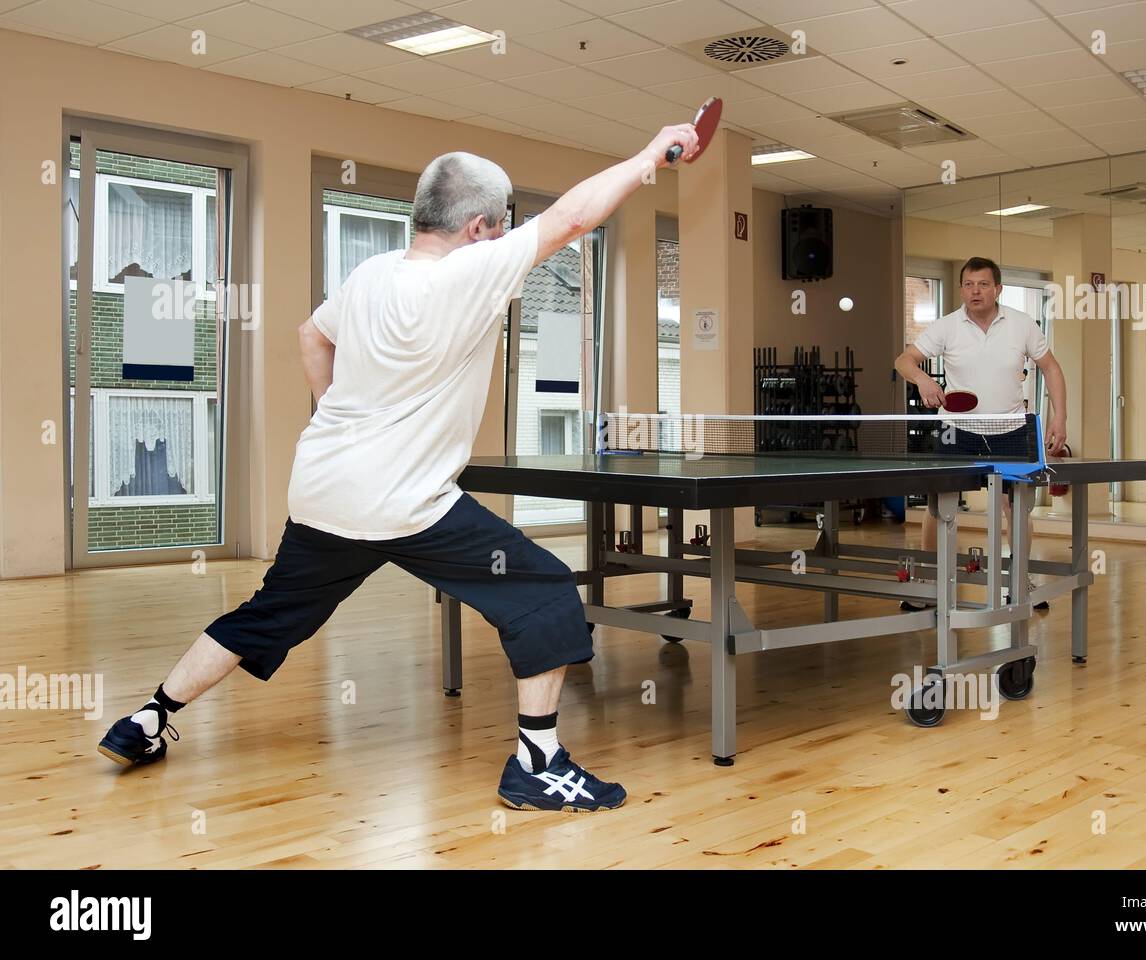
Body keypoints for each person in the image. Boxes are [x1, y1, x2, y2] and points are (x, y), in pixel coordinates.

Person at [98, 123, 702, 814]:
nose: (504, 236)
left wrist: (339, 419)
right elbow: (573, 216)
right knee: (543, 593)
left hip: (326, 492)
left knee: (268, 614)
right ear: (479, 227)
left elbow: (309, 335)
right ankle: (537, 763)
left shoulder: (369, 274)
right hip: (405, 503)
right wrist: (654, 153)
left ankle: (146, 718)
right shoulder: (471, 273)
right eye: (500, 226)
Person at [893, 257, 1067, 611]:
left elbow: (1050, 367)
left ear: (998, 289)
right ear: (961, 289)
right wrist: (923, 378)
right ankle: (930, 582)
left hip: (1012, 429)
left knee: (1015, 506)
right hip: (957, 431)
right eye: (969, 284)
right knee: (939, 506)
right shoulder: (945, 327)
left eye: (983, 284)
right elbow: (903, 361)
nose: (975, 291)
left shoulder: (1022, 325)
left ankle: (1020, 580)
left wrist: (1059, 417)